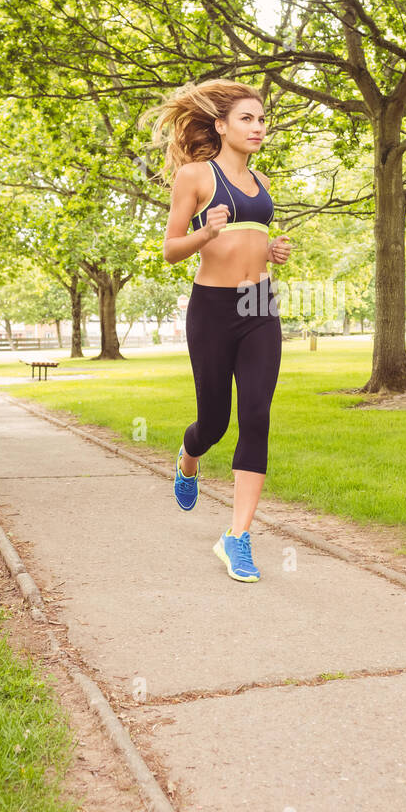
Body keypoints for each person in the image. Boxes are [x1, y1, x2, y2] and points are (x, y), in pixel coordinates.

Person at [143, 79, 291, 582]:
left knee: (257, 415)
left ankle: (237, 537)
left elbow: (251, 240)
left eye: (261, 119)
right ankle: (189, 456)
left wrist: (273, 254)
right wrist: (205, 232)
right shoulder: (195, 176)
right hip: (211, 307)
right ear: (222, 125)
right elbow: (170, 249)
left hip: (258, 302)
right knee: (214, 422)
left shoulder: (262, 182)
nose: (257, 127)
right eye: (247, 119)